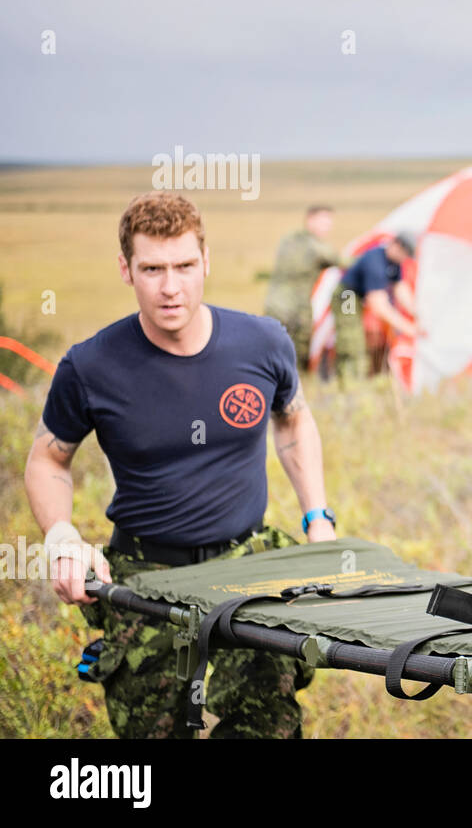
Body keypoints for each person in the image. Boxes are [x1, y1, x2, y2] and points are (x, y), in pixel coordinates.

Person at [24, 190, 338, 738]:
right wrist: (60, 535)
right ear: (126, 269)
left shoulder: (262, 341)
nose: (171, 287)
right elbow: (50, 457)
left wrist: (318, 520)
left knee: (267, 726)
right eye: (152, 269)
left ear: (206, 261)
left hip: (249, 567)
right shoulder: (91, 365)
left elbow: (292, 420)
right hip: (146, 576)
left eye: (185, 266)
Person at [330, 231, 420, 381]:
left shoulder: (395, 263)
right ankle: (348, 381)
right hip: (347, 296)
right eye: (405, 254)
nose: (405, 260)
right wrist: (407, 328)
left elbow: (400, 288)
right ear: (397, 246)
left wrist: (416, 313)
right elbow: (378, 304)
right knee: (351, 339)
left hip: (361, 297)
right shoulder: (375, 262)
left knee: (368, 338)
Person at [264, 205, 343, 371]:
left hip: (273, 306)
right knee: (296, 360)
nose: (327, 228)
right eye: (323, 222)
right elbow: (342, 261)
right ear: (310, 220)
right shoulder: (315, 246)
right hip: (296, 310)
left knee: (273, 354)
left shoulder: (288, 240)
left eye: (329, 224)